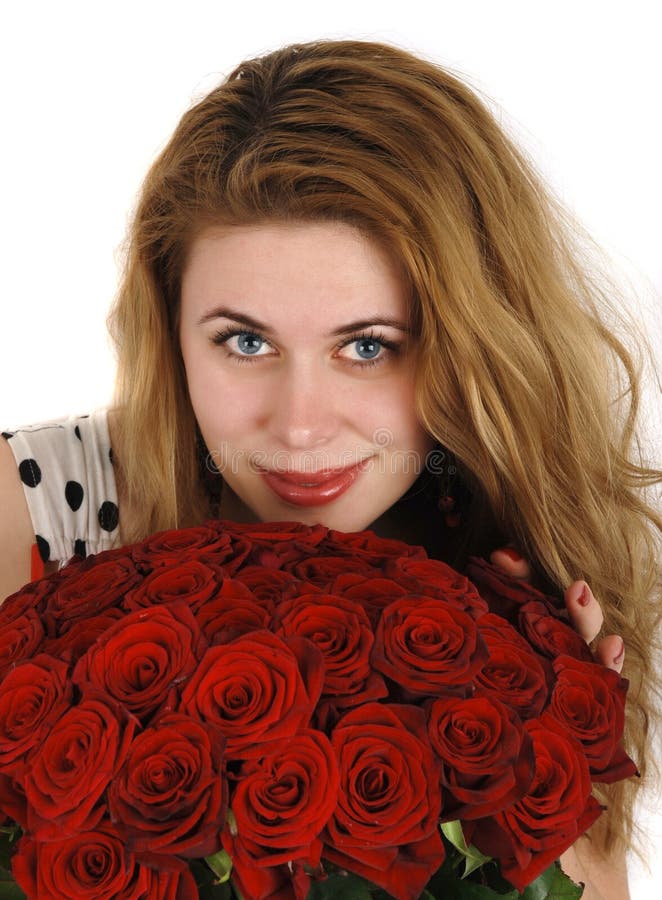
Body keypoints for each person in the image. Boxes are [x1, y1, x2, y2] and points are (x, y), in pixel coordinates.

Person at [0, 39, 659, 898]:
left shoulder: (521, 564)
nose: (301, 428)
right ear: (171, 333)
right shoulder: (33, 509)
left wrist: (537, 780)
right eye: (245, 341)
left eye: (368, 346)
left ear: (475, 345)